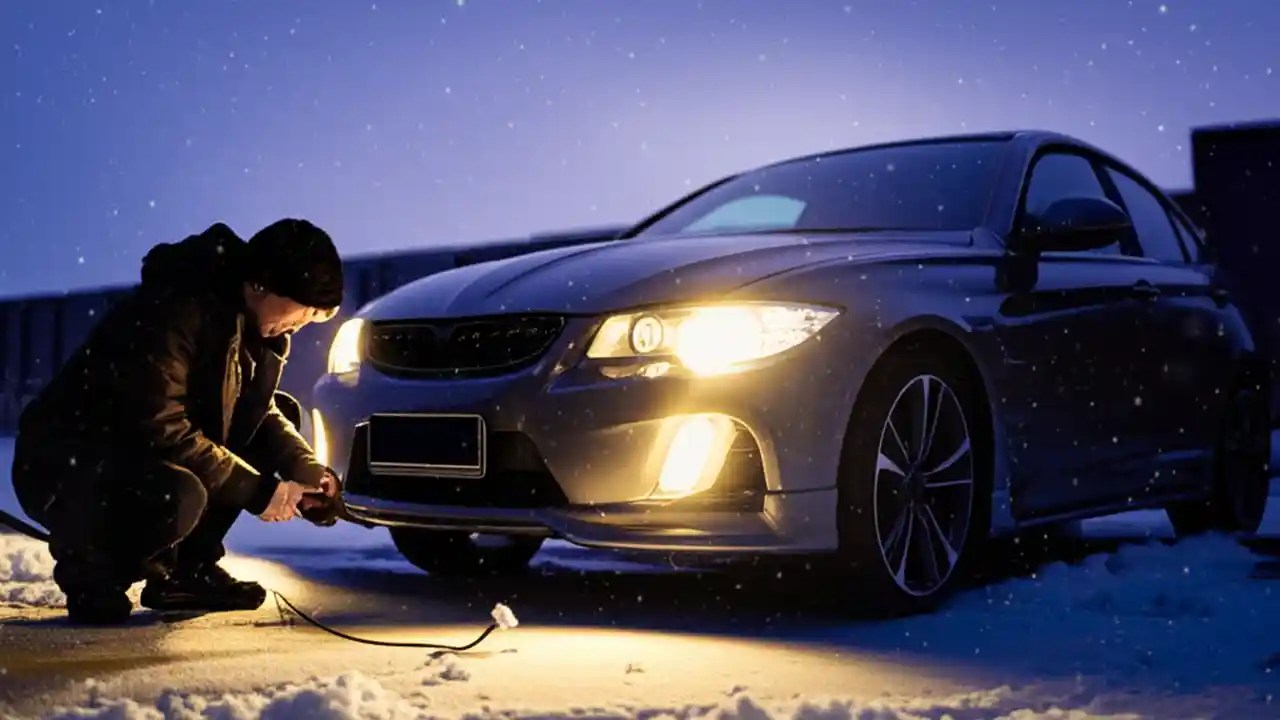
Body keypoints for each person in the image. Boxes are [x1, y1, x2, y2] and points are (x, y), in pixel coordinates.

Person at [9, 219, 347, 625]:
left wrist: (304, 467)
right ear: (260, 285)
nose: (303, 322)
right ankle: (91, 572)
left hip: (137, 457)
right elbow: (160, 425)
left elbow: (256, 414)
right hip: (68, 462)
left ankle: (188, 570)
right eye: (303, 309)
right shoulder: (177, 308)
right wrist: (260, 491)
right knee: (178, 493)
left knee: (279, 414)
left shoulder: (254, 326)